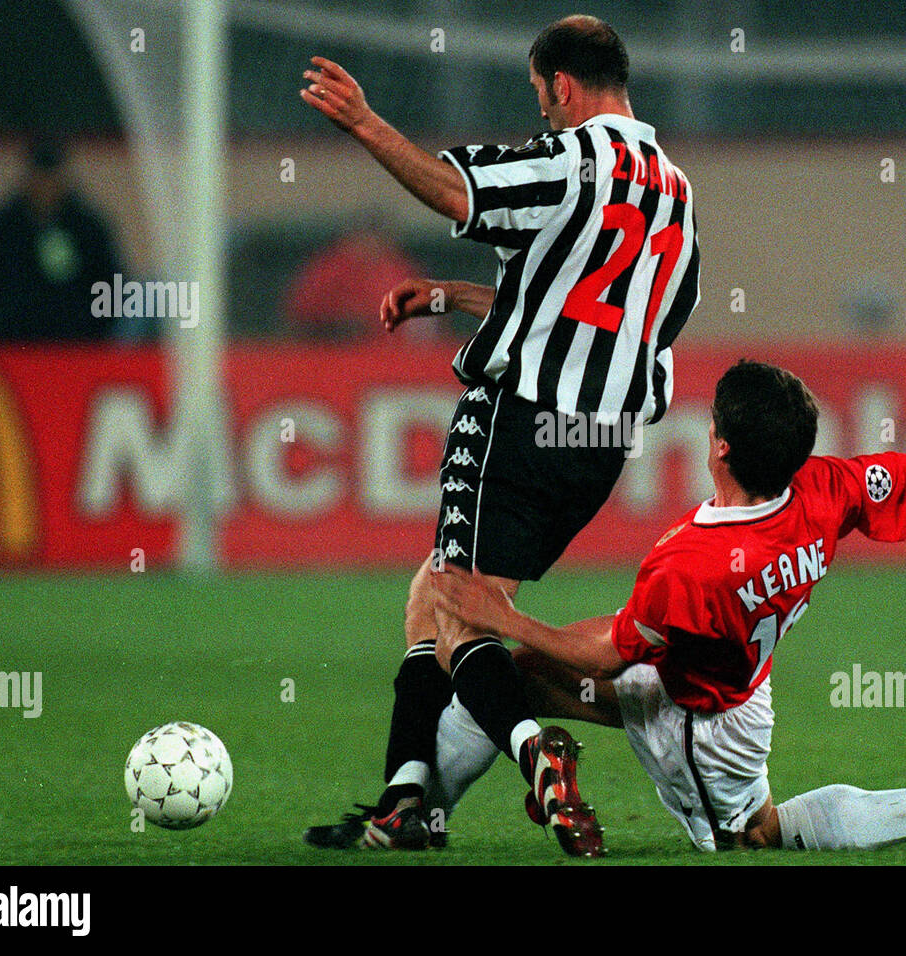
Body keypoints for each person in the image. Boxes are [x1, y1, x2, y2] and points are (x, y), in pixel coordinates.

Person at [428, 338, 906, 853]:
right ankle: (423, 816)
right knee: (510, 683)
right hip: (717, 672)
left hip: (699, 720)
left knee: (753, 838)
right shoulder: (826, 490)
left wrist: (505, 616)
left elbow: (608, 658)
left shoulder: (692, 559)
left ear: (719, 445)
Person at [299, 15, 700, 854]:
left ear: (558, 84)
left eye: (538, 93)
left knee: (457, 608)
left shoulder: (570, 155)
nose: (542, 110)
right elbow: (616, 316)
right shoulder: (673, 188)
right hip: (599, 444)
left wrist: (366, 122)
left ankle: (536, 750)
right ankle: (405, 800)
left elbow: (455, 192)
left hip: (515, 418)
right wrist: (455, 294)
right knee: (438, 596)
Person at [0, 136, 123, 341]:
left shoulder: (88, 228)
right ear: (28, 176)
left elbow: (112, 287)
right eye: (40, 176)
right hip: (12, 349)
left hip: (75, 350)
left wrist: (91, 335)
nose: (46, 185)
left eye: (52, 177)